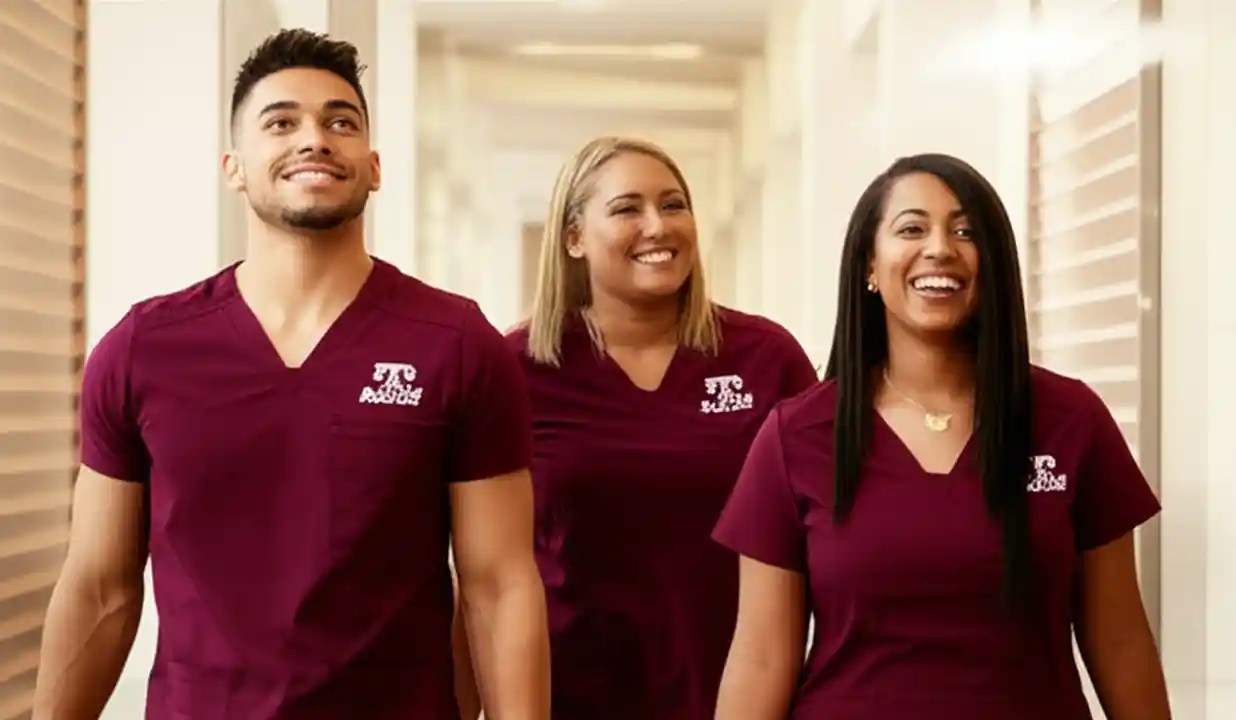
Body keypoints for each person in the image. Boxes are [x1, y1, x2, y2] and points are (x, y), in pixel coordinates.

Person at [33, 29, 549, 720]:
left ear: (373, 165)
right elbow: (99, 587)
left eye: (341, 121)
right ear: (234, 167)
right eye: (281, 122)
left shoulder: (458, 346)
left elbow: (499, 585)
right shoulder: (142, 350)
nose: (314, 139)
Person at [713, 153, 1172, 720]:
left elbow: (1122, 642)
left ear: (993, 264)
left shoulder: (1072, 419)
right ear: (870, 268)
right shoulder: (795, 436)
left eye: (965, 231)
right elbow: (760, 658)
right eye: (911, 228)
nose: (939, 248)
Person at [453, 135, 817, 720]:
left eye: (674, 205)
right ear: (573, 238)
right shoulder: (516, 368)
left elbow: (829, 543)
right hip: (569, 699)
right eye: (627, 209)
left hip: (740, 700)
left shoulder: (766, 359)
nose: (658, 226)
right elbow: (480, 573)